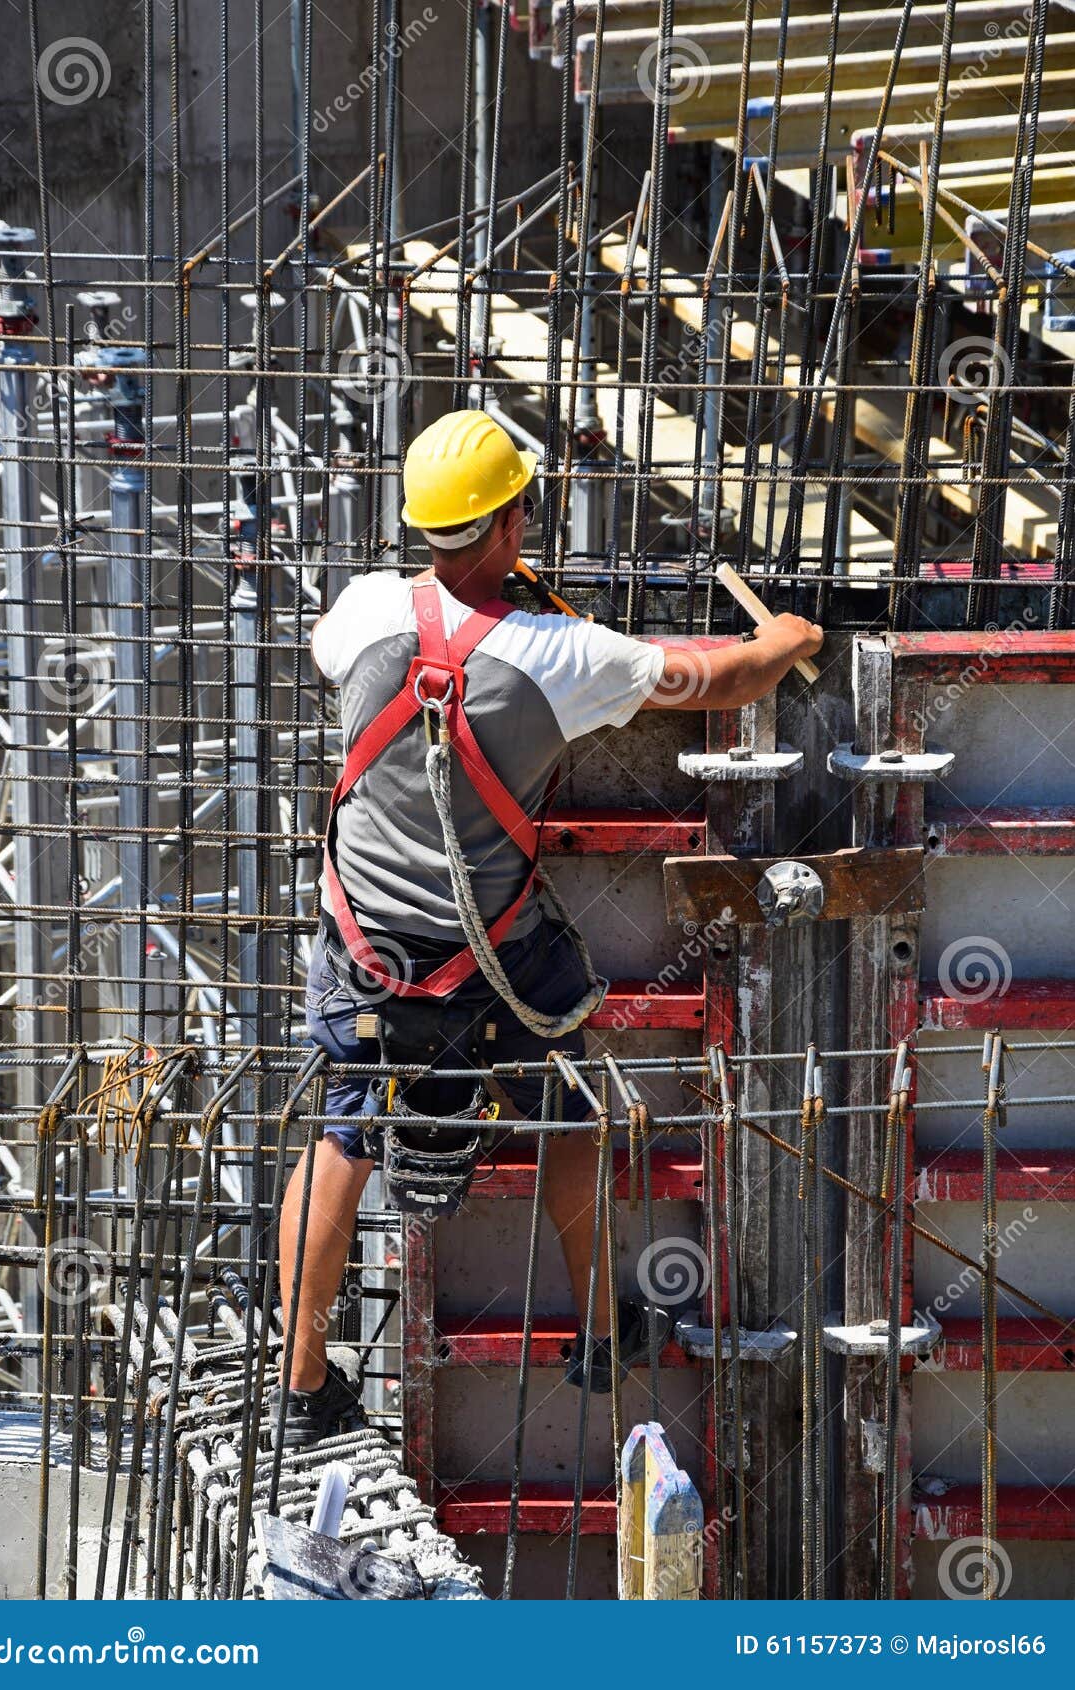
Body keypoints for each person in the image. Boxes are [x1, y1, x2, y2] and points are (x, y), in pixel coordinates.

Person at [270, 409, 823, 1447]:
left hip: (366, 945)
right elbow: (712, 678)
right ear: (505, 524)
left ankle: (302, 1384)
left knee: (343, 1126)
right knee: (568, 1102)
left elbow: (376, 656)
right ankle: (602, 1324)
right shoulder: (562, 654)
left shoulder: (359, 610)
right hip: (492, 956)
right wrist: (784, 640)